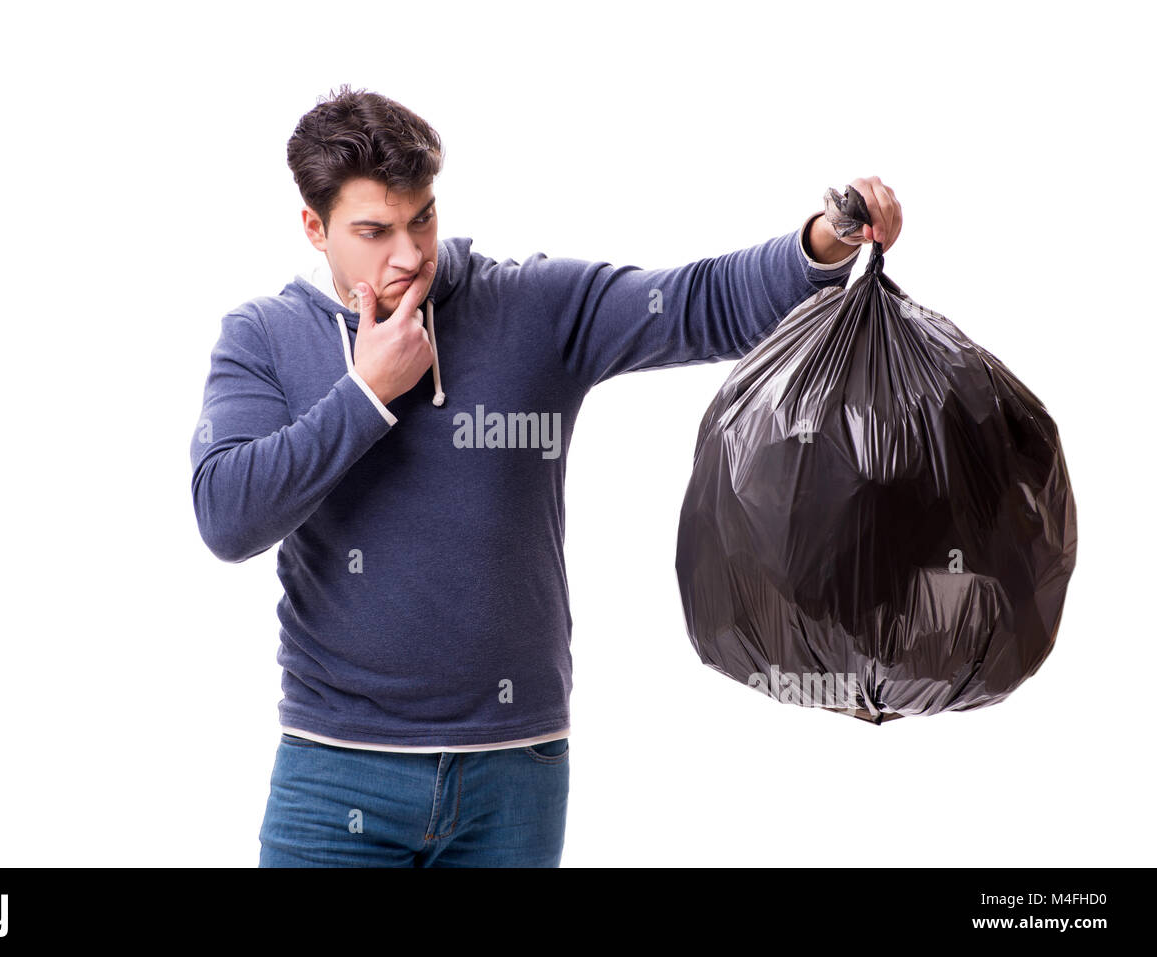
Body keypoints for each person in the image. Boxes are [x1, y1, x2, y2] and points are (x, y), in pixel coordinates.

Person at [188, 84, 902, 867]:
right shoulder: (262, 337)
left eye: (422, 216)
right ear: (314, 228)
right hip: (335, 774)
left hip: (515, 771)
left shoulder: (527, 305)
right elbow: (229, 516)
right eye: (373, 230)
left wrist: (822, 241)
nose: (408, 253)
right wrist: (366, 394)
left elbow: (696, 302)